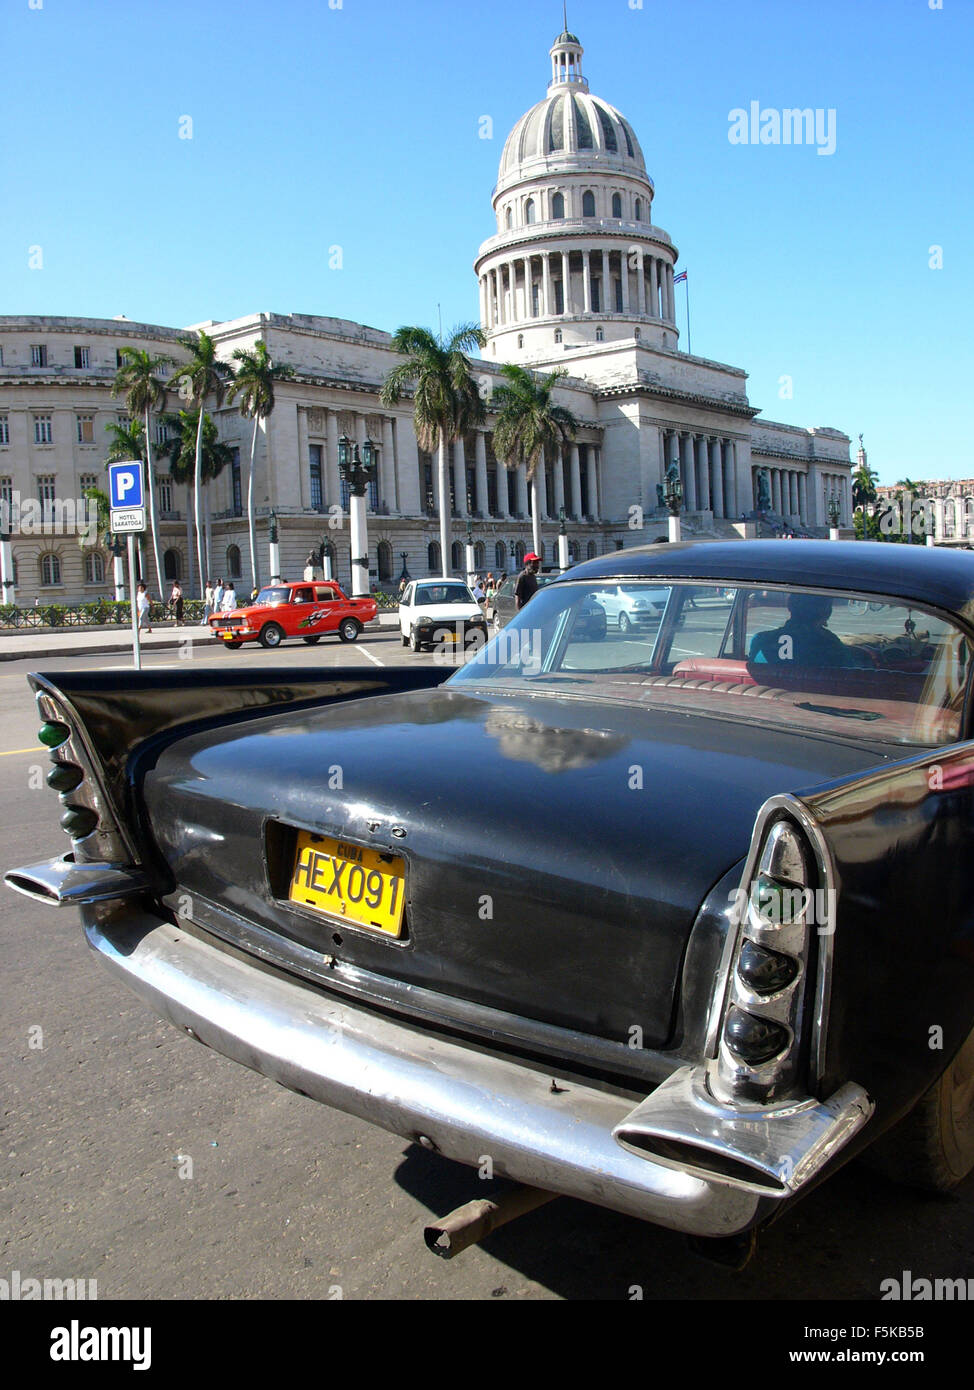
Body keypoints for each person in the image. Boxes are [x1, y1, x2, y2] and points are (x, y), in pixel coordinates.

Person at [749, 593, 863, 668]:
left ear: (789, 605)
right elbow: (850, 676)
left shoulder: (760, 640)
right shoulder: (832, 646)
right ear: (827, 612)